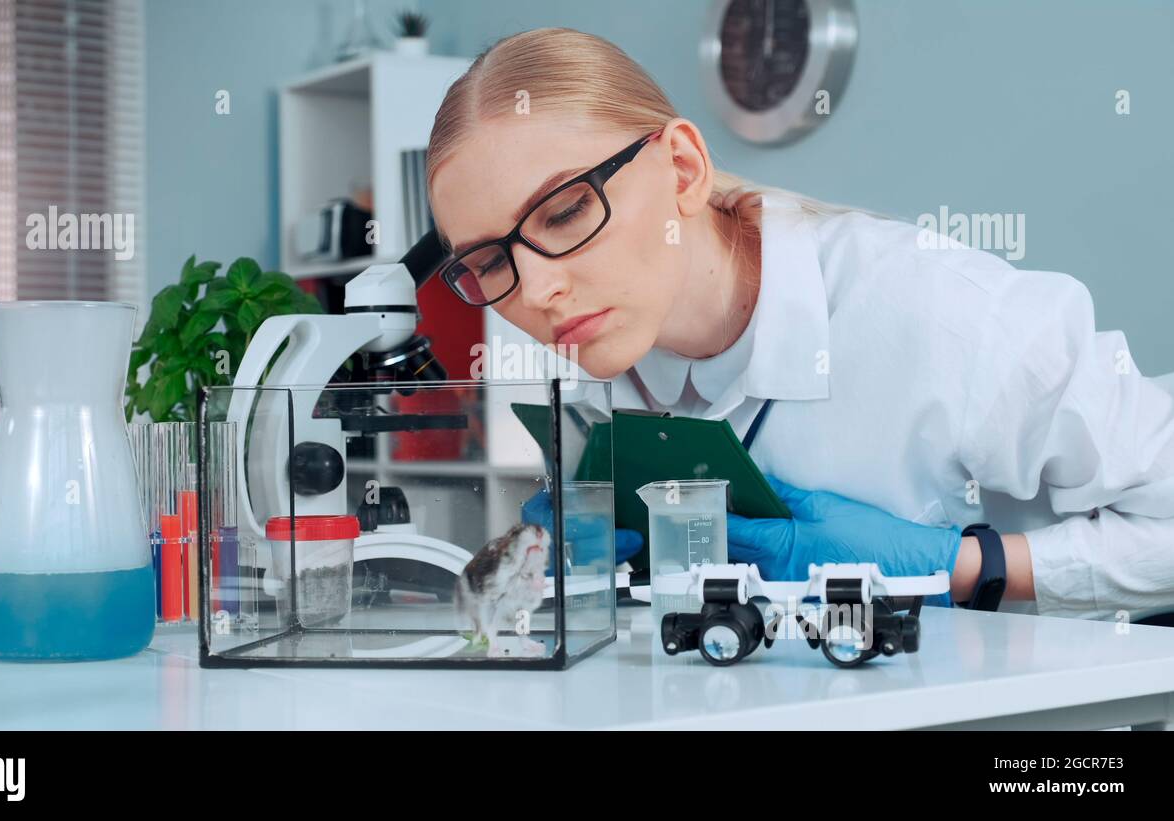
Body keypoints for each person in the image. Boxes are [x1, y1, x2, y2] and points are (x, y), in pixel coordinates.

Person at [425, 28, 1174, 619]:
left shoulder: (942, 313)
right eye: (489, 263)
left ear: (682, 169)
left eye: (565, 212)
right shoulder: (610, 365)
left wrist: (966, 566)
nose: (540, 289)